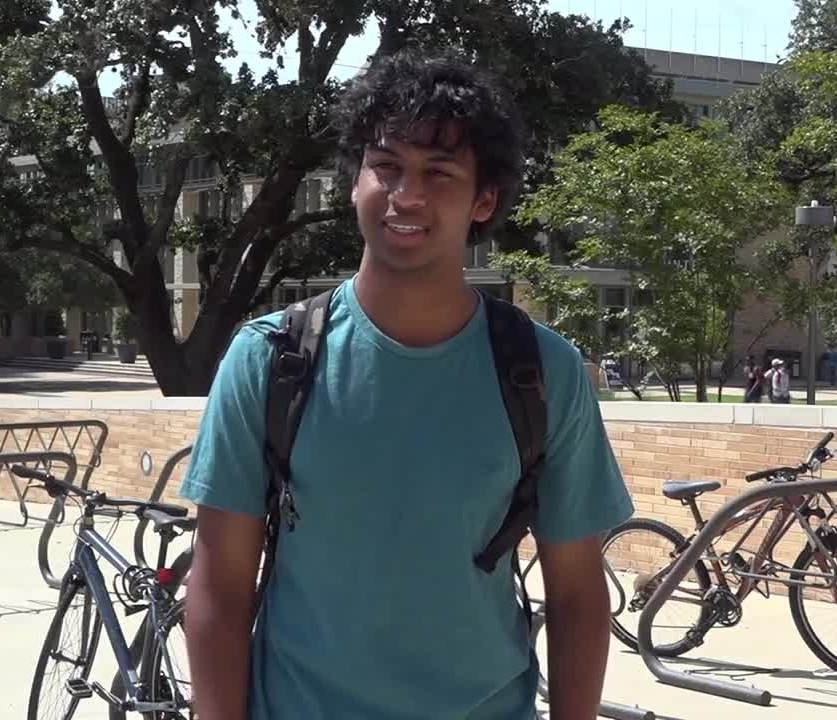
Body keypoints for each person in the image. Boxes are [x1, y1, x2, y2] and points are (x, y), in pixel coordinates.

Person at [179, 49, 633, 720]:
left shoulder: (540, 371)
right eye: (386, 167)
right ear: (354, 182)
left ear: (485, 200)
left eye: (439, 172)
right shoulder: (270, 360)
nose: (407, 195)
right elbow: (217, 588)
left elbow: (576, 595)